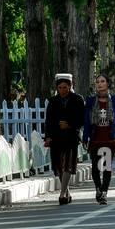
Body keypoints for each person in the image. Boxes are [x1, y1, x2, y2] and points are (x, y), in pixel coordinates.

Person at [44, 73, 85, 205]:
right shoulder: (53, 101)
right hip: (56, 137)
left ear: (70, 86)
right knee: (58, 166)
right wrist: (48, 136)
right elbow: (49, 120)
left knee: (68, 164)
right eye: (60, 87)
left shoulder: (78, 99)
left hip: (71, 137)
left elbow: (82, 118)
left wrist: (70, 125)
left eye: (65, 87)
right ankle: (66, 191)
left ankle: (62, 194)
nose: (62, 90)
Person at [83, 73, 115, 205]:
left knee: (106, 166)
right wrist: (85, 138)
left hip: (110, 138)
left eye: (102, 81)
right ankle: (98, 188)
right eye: (97, 82)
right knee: (95, 167)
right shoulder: (90, 101)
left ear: (107, 84)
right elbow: (87, 121)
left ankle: (104, 192)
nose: (100, 84)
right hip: (95, 138)